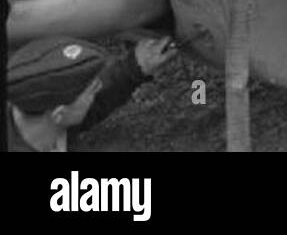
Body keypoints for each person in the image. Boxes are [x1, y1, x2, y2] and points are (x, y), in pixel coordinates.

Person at [6, 35, 176, 152]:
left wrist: (134, 67)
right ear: (59, 114)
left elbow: (88, 109)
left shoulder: (39, 112)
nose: (97, 87)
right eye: (89, 91)